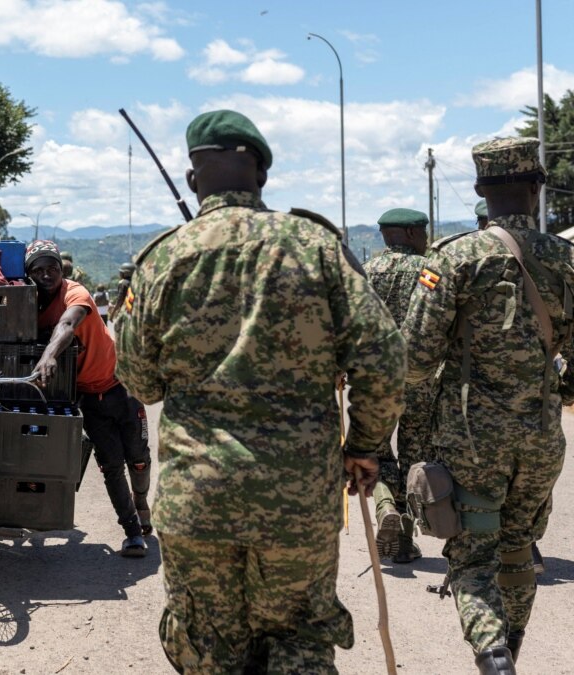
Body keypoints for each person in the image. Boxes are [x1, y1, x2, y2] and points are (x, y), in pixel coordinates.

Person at [115, 110, 405, 672]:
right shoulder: (316, 247)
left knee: (208, 647)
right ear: (263, 176)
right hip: (298, 500)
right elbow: (384, 355)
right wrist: (365, 445)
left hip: (198, 500)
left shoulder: (162, 260)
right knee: (299, 638)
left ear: (194, 179)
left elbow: (141, 381)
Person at [402, 137, 572, 673]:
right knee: (518, 550)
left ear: (479, 190)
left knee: (473, 558)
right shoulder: (567, 260)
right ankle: (511, 647)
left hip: (473, 438)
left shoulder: (455, 258)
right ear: (537, 188)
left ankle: (494, 657)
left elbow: (412, 358)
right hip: (543, 436)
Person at [27, 239, 152, 557]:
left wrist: (49, 355)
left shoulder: (77, 293)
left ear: (61, 269)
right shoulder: (34, 309)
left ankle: (141, 503)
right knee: (111, 466)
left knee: (137, 458)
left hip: (123, 385)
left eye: (51, 268)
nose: (46, 275)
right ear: (29, 274)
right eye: (38, 270)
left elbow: (67, 324)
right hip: (89, 398)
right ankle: (132, 532)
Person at [365, 207, 431, 564]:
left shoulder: (367, 272)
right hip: (420, 380)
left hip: (375, 381)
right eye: (422, 232)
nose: (425, 239)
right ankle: (404, 539)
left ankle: (384, 506)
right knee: (415, 456)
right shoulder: (429, 271)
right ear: (408, 233)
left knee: (375, 453)